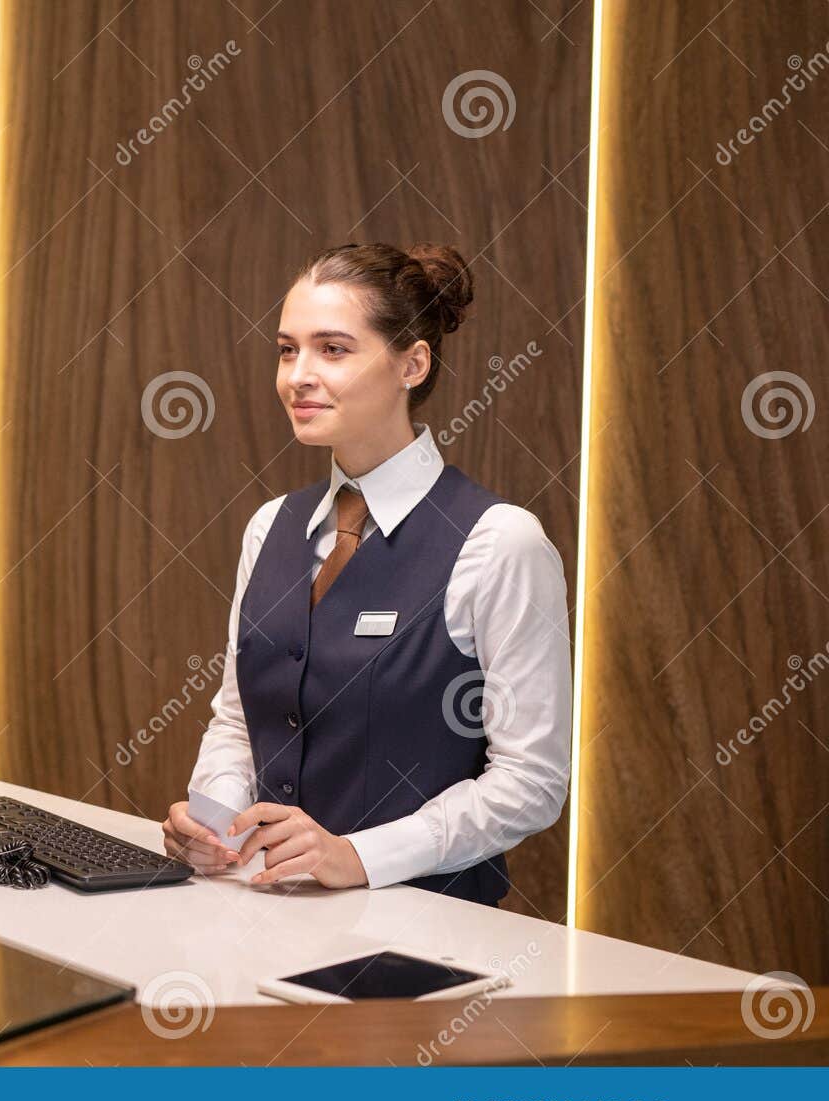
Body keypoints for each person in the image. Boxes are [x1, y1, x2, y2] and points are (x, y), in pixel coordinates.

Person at [161, 242, 570, 907]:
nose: (298, 375)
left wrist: (359, 855)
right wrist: (212, 820)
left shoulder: (499, 542)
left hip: (424, 939)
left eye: (334, 349)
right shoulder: (270, 527)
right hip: (259, 917)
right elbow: (239, 720)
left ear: (413, 362)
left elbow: (532, 781)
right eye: (287, 349)